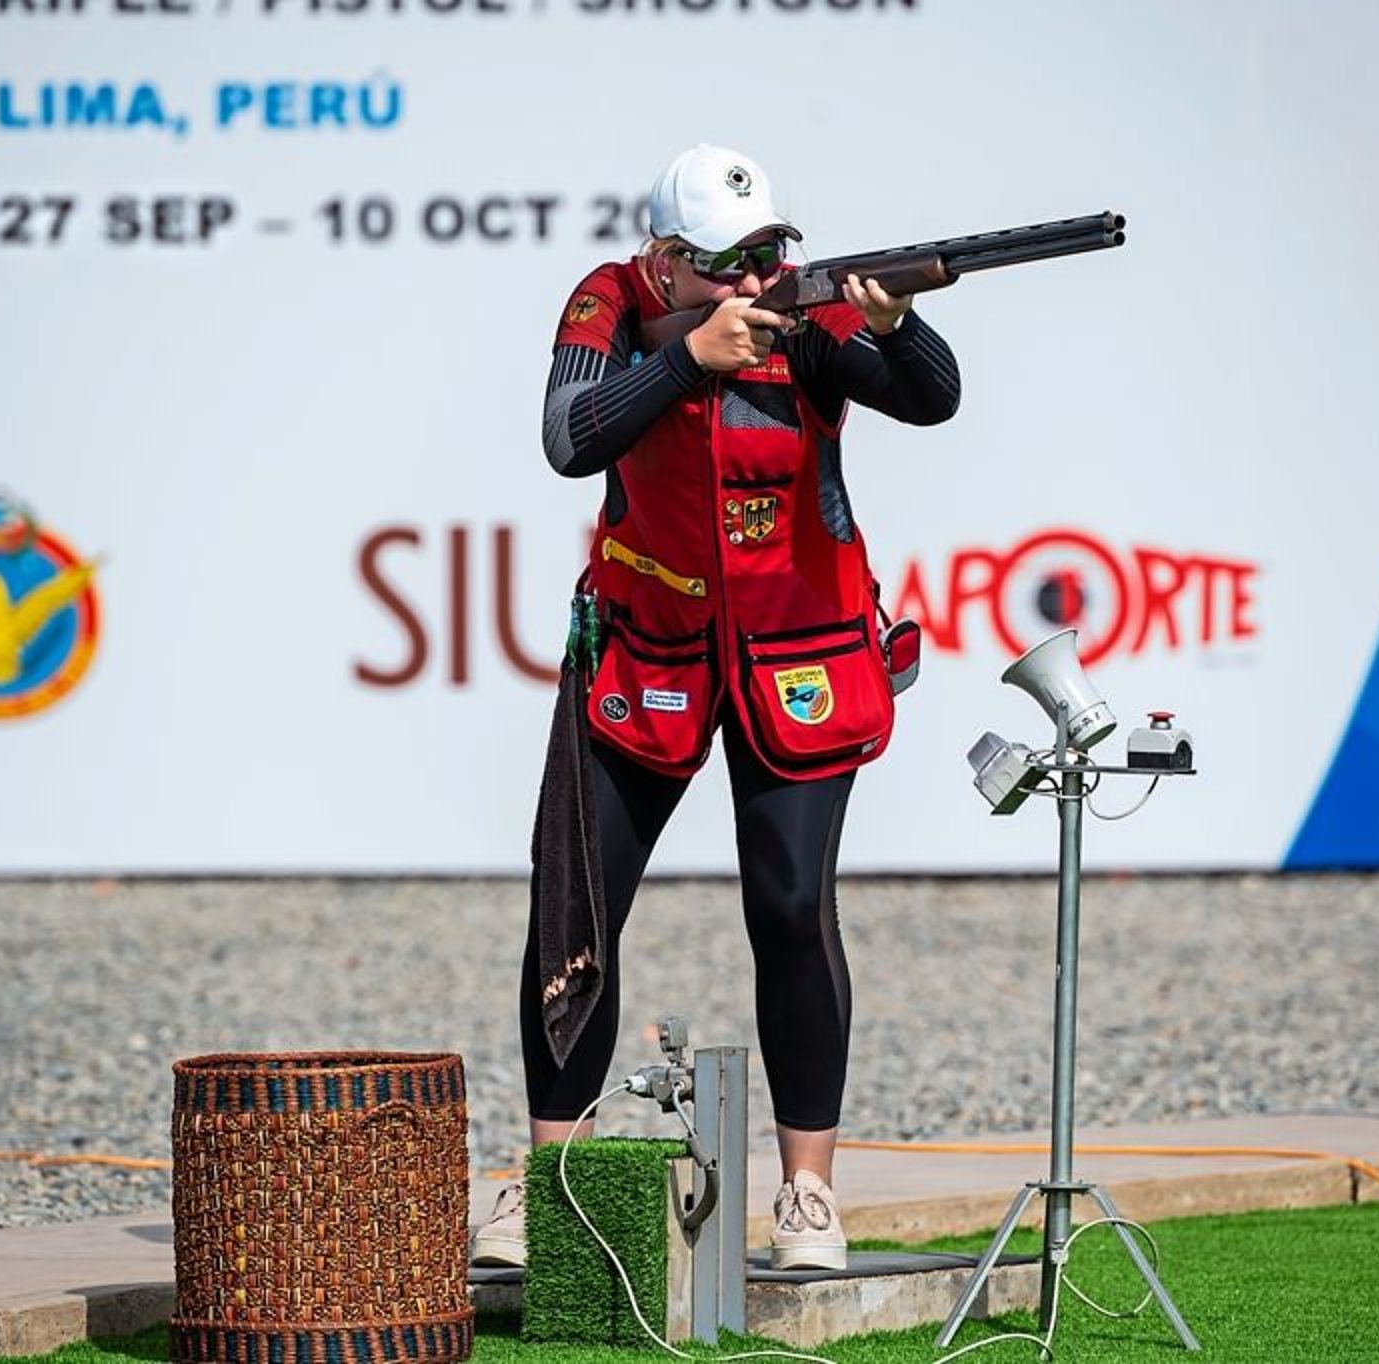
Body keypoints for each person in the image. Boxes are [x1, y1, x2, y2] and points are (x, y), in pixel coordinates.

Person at [474, 144, 961, 1272]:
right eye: (725, 265)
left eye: (767, 254)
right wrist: (687, 360)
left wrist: (890, 324)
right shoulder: (609, 299)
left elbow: (932, 400)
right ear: (665, 261)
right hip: (648, 645)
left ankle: (805, 1194)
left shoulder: (811, 314)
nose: (753, 281)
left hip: (804, 647)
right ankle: (549, 1185)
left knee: (791, 908)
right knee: (574, 910)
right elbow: (566, 436)